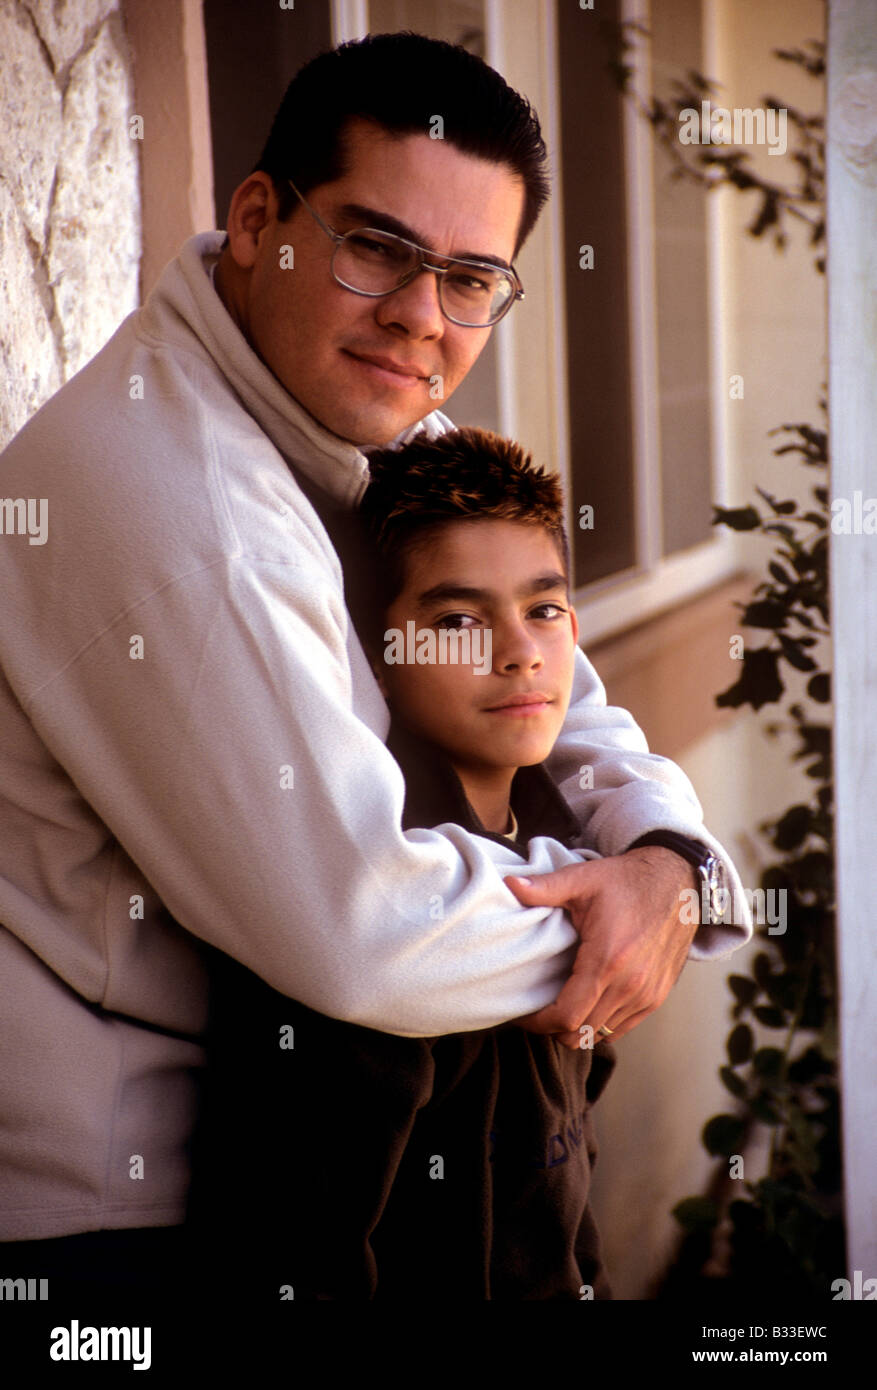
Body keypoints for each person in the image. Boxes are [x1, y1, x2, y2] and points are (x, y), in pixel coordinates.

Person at [0, 32, 749, 1298]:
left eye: (470, 279)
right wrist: (613, 916)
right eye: (375, 248)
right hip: (122, 1225)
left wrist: (666, 860)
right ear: (256, 218)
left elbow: (574, 708)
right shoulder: (182, 509)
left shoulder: (367, 409)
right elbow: (367, 933)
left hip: (305, 1146)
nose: (420, 317)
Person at [193, 426, 617, 1300]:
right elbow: (299, 1247)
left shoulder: (582, 843)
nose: (518, 651)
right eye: (458, 620)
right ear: (376, 658)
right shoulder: (372, 894)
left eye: (542, 608)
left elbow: (569, 1168)